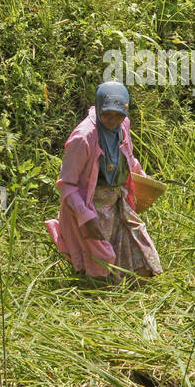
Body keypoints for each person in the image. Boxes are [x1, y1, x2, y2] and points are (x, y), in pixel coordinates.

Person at [45, 81, 163, 284]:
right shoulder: (83, 138)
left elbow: (127, 156)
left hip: (119, 197)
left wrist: (142, 177)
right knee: (99, 254)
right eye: (107, 114)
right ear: (99, 108)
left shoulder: (122, 126)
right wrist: (86, 217)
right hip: (92, 204)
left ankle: (139, 281)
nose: (113, 120)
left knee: (136, 235)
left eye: (119, 115)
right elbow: (67, 184)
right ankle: (96, 289)